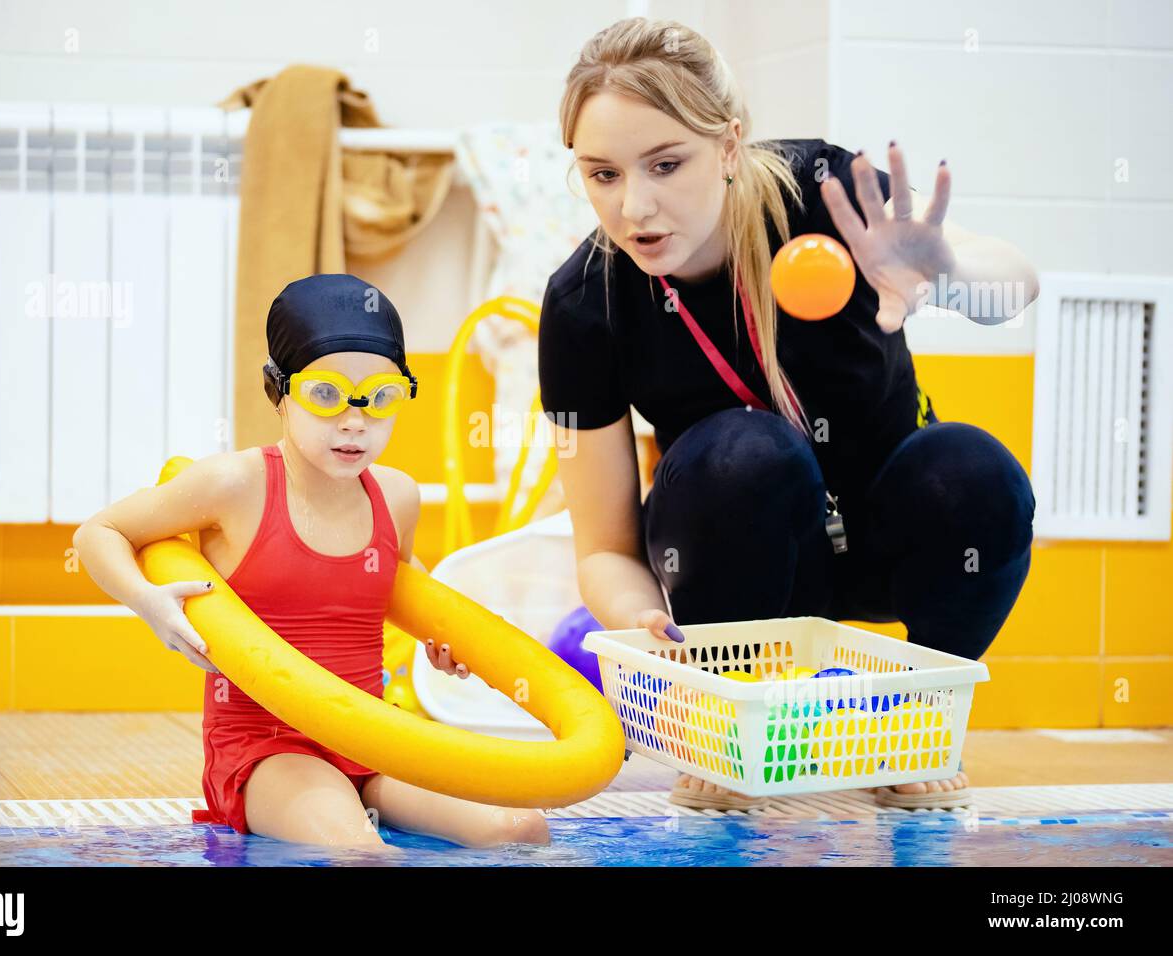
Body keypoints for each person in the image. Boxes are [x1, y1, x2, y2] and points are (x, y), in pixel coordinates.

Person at [539, 18, 1038, 811]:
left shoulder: (826, 193)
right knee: (745, 452)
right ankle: (731, 731)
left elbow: (1017, 284)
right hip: (737, 566)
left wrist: (949, 273)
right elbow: (603, 549)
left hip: (886, 539)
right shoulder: (584, 304)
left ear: (730, 145)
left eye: (667, 164)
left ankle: (918, 732)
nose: (635, 206)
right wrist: (652, 632)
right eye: (602, 174)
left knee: (974, 471)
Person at [74, 274, 549, 849]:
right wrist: (148, 601)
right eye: (326, 394)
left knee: (522, 830)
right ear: (279, 390)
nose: (355, 421)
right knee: (362, 853)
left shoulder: (396, 496)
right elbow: (100, 532)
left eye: (381, 397)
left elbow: (398, 585)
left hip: (369, 734)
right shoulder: (235, 485)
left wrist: (442, 641)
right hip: (266, 748)